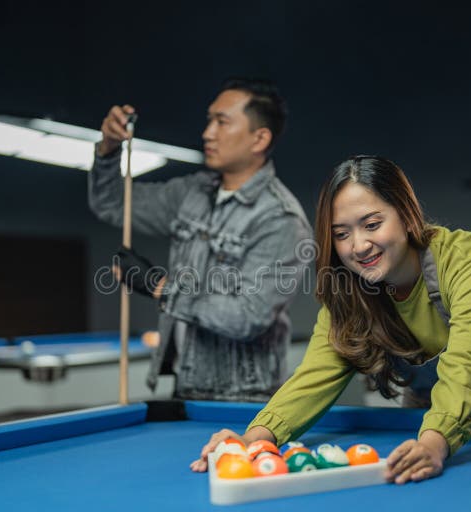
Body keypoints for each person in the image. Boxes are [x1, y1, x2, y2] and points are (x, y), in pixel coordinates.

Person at [190, 155, 471, 483]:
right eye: (342, 234)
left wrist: (434, 443)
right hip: (434, 402)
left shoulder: (469, 262)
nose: (358, 246)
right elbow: (313, 377)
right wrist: (255, 439)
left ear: (405, 214)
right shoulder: (349, 293)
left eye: (372, 224)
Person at [88, 78, 312, 401]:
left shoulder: (281, 218)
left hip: (247, 399)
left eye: (222, 122)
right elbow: (110, 202)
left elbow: (249, 317)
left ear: (259, 138)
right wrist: (108, 149)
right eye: (210, 120)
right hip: (186, 386)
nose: (208, 132)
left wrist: (159, 286)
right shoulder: (192, 192)